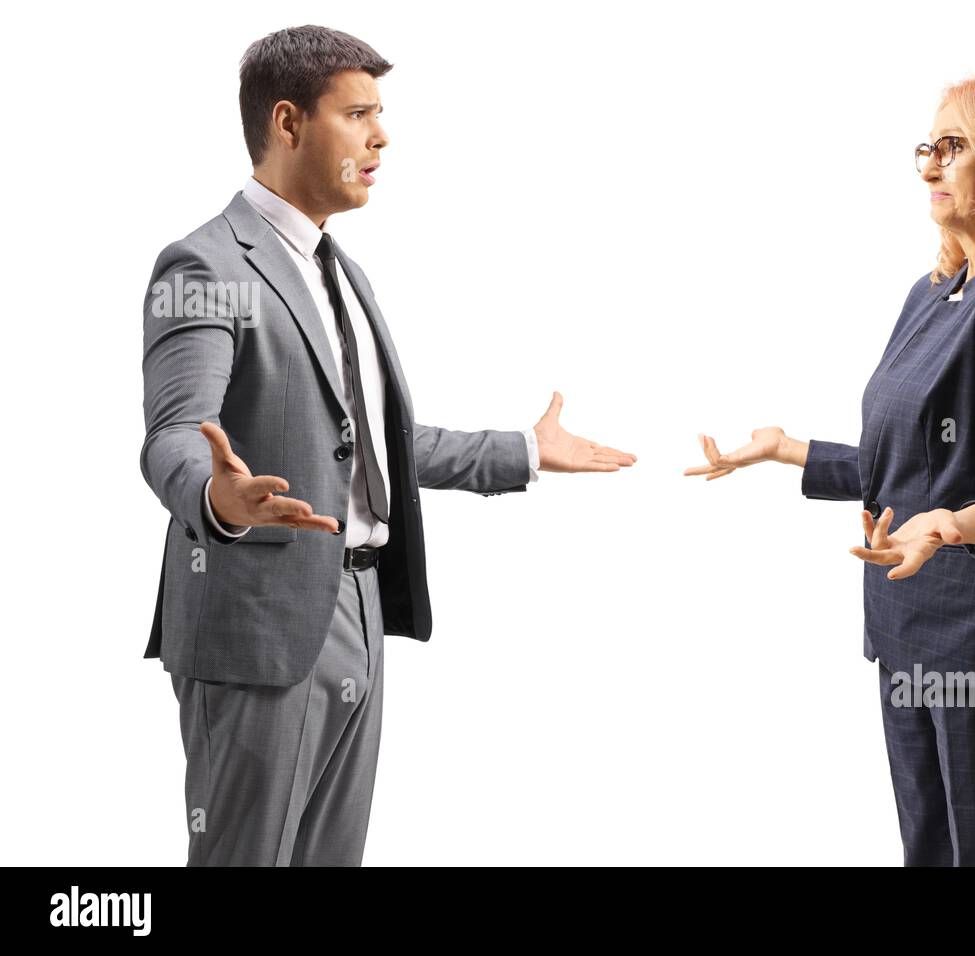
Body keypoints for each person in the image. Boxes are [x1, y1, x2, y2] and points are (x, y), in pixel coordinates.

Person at [141, 25, 636, 865]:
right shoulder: (206, 263)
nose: (382, 136)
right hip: (261, 618)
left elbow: (371, 447)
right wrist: (215, 499)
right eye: (359, 113)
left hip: (359, 608)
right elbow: (176, 432)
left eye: (382, 114)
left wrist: (523, 448)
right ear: (290, 124)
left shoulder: (340, 271)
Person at [685, 71, 975, 866]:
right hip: (908, 624)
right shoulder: (936, 291)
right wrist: (786, 449)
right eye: (927, 147)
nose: (929, 166)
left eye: (954, 147)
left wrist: (949, 526)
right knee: (929, 852)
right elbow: (906, 469)